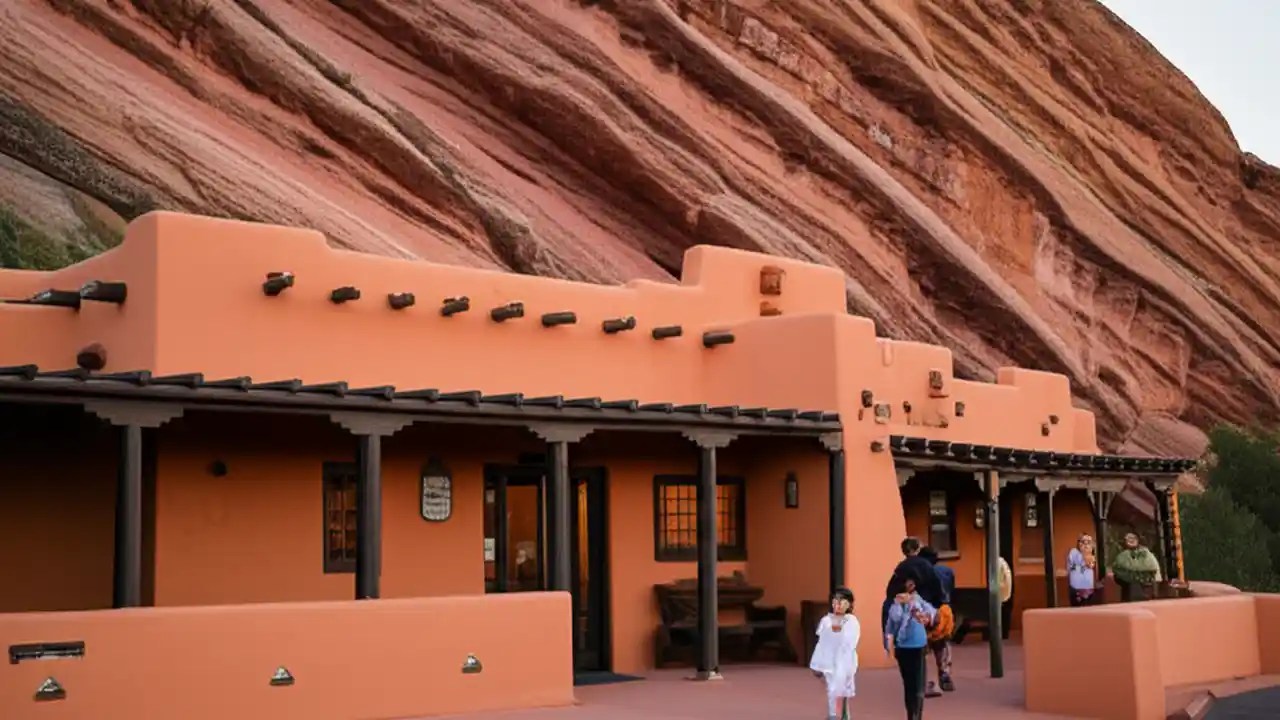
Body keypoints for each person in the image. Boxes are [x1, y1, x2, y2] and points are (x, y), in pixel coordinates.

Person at [885, 577, 936, 720]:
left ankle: (916, 715)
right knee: (909, 685)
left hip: (919, 645)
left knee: (919, 685)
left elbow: (931, 612)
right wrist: (901, 606)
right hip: (903, 647)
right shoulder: (895, 606)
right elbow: (892, 624)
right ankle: (911, 714)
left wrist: (926, 616)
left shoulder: (918, 600)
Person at [810, 587, 860, 720]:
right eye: (835, 601)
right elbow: (821, 643)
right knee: (832, 691)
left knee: (840, 692)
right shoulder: (826, 620)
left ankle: (839, 715)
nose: (837, 604)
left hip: (844, 662)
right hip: (828, 662)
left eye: (841, 601)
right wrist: (817, 663)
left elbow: (849, 642)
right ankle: (834, 715)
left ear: (849, 604)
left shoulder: (851, 621)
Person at [882, 537, 944, 633]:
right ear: (918, 549)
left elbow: (891, 592)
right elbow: (936, 587)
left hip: (903, 613)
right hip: (924, 611)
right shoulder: (926, 565)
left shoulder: (900, 568)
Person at [918, 547, 955, 696]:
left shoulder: (921, 575)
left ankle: (926, 680)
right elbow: (951, 589)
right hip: (944, 609)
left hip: (926, 612)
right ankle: (944, 671)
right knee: (943, 643)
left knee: (924, 646)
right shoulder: (947, 571)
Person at [1113, 532, 1162, 602]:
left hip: (1146, 587)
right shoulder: (1124, 555)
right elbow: (1117, 569)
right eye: (1127, 539)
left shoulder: (1145, 553)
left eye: (1132, 538)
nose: (1130, 540)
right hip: (1130, 589)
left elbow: (1150, 568)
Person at [1066, 534, 1099, 606]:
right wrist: (1082, 568)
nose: (1086, 544)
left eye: (1089, 542)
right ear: (1079, 542)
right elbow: (1072, 566)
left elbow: (1090, 565)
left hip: (1088, 587)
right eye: (1083, 541)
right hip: (1076, 587)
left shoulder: (1091, 555)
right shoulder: (1074, 552)